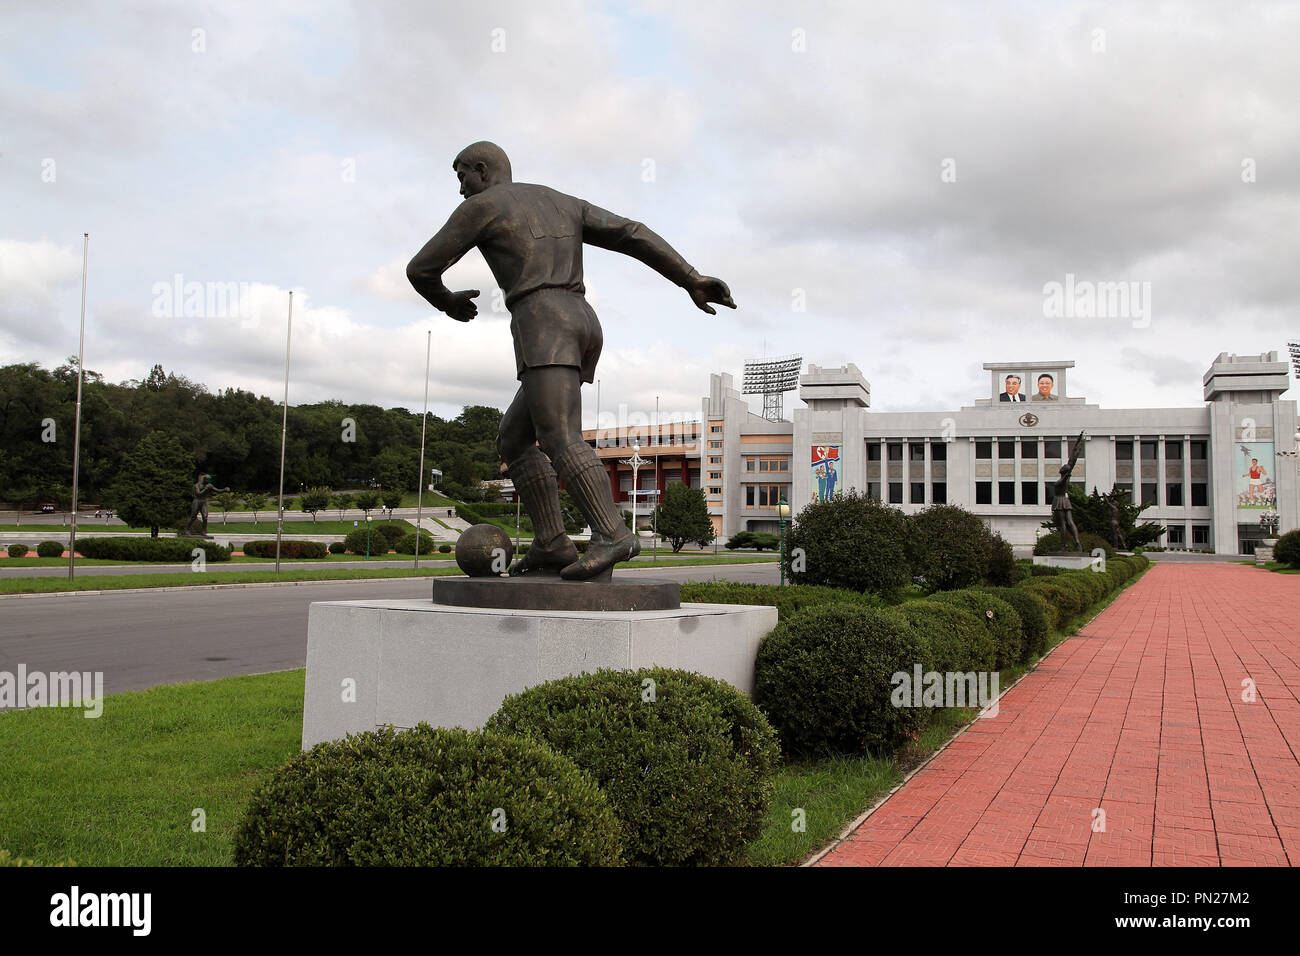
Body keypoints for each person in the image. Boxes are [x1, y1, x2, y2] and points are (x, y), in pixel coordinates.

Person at [408, 142, 735, 579]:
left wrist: (447, 301)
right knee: (513, 440)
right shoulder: (563, 202)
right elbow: (631, 233)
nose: (461, 189)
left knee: (560, 436)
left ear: (482, 170)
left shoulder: (482, 206)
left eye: (462, 176)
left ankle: (612, 533)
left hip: (543, 321)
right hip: (582, 321)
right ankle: (552, 542)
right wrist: (689, 278)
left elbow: (420, 269)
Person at [1052, 432, 1085, 551]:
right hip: (1066, 500)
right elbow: (1073, 458)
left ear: (1062, 471)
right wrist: (1078, 443)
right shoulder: (1066, 479)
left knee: (1063, 525)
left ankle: (1064, 545)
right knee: (1070, 522)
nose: (1062, 466)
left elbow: (1070, 463)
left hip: (1059, 501)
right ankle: (1077, 542)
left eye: (1063, 467)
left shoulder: (1060, 481)